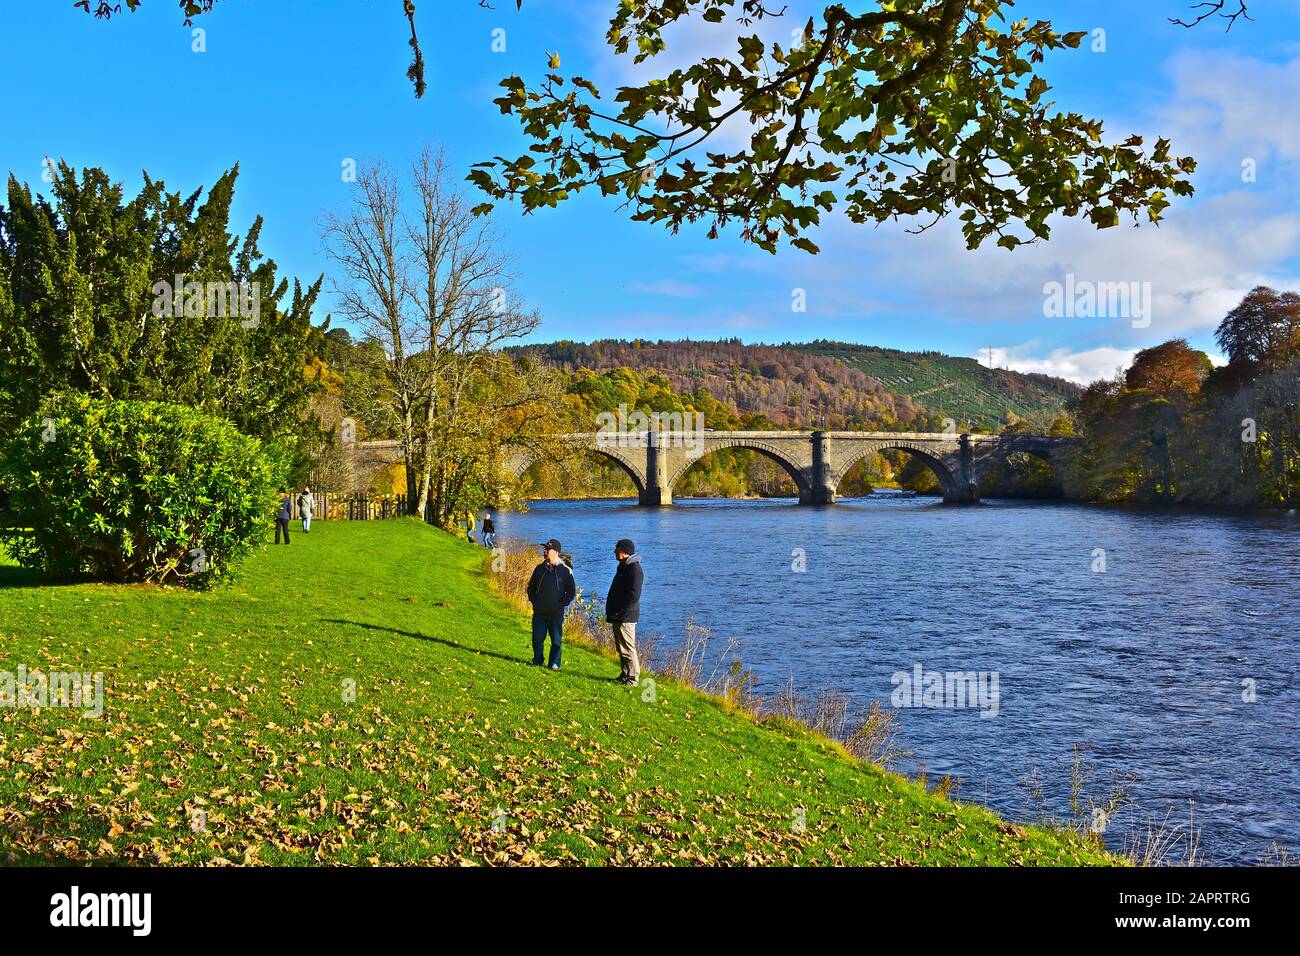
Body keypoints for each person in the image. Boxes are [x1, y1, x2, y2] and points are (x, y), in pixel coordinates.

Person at [526, 538, 575, 671]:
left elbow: (571, 592)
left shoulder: (565, 571)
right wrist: (534, 601)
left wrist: (561, 604)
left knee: (556, 641)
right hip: (539, 612)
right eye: (545, 549)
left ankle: (554, 663)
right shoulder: (539, 568)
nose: (545, 551)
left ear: (556, 553)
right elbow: (530, 587)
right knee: (537, 639)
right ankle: (538, 660)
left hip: (555, 613)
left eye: (548, 550)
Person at [605, 538, 643, 686]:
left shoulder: (634, 569)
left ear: (624, 552)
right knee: (621, 647)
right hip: (618, 614)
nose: (615, 552)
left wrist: (622, 611)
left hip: (626, 616)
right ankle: (625, 674)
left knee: (628, 647)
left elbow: (634, 595)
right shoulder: (623, 566)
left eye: (617, 550)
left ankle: (633, 678)